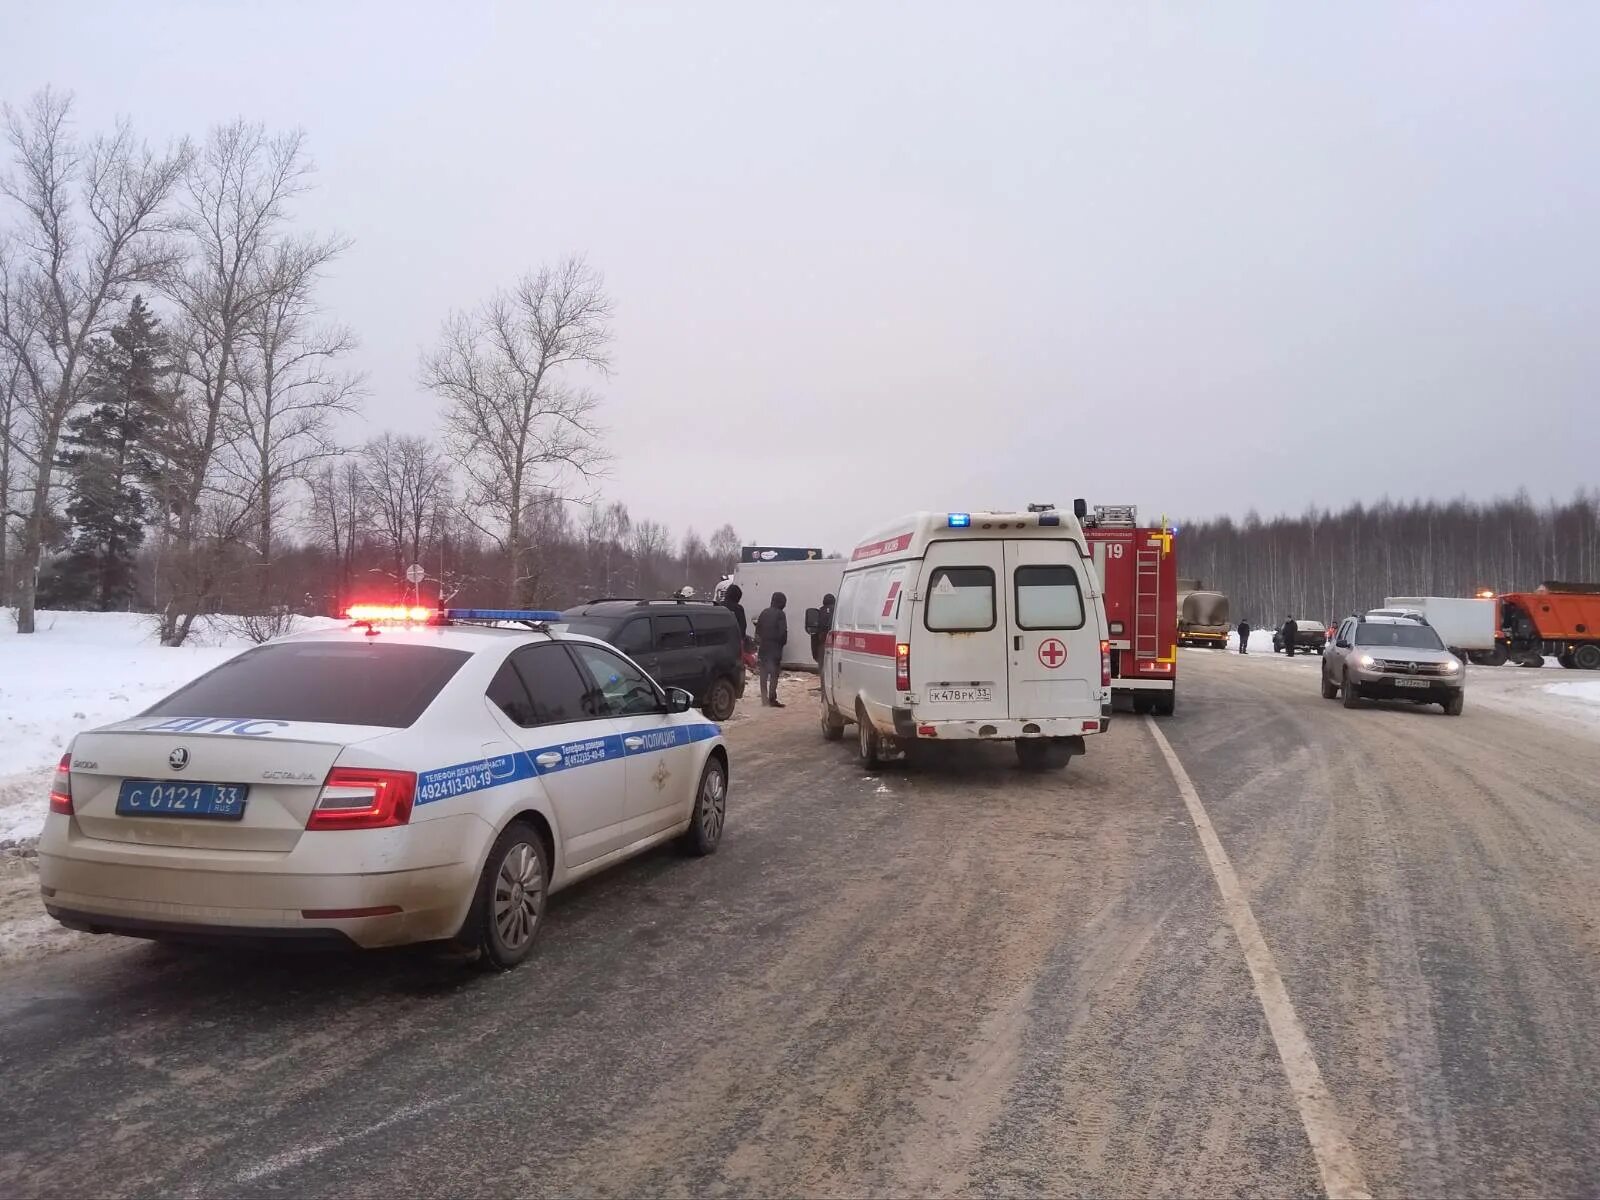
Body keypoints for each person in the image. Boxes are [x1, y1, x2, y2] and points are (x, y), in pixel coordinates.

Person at [755, 591, 789, 706]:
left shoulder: (764, 612)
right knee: (774, 674)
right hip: (775, 649)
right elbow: (782, 632)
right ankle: (772, 698)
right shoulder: (780, 614)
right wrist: (782, 643)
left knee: (763, 674)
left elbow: (757, 631)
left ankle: (764, 699)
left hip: (763, 648)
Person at [810, 592, 836, 666]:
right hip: (835, 644)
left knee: (823, 666)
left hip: (822, 644)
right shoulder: (837, 611)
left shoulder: (819, 612)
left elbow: (814, 632)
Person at [721, 584, 749, 651]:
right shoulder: (738, 608)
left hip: (717, 643)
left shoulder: (718, 606)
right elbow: (742, 626)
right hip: (733, 644)